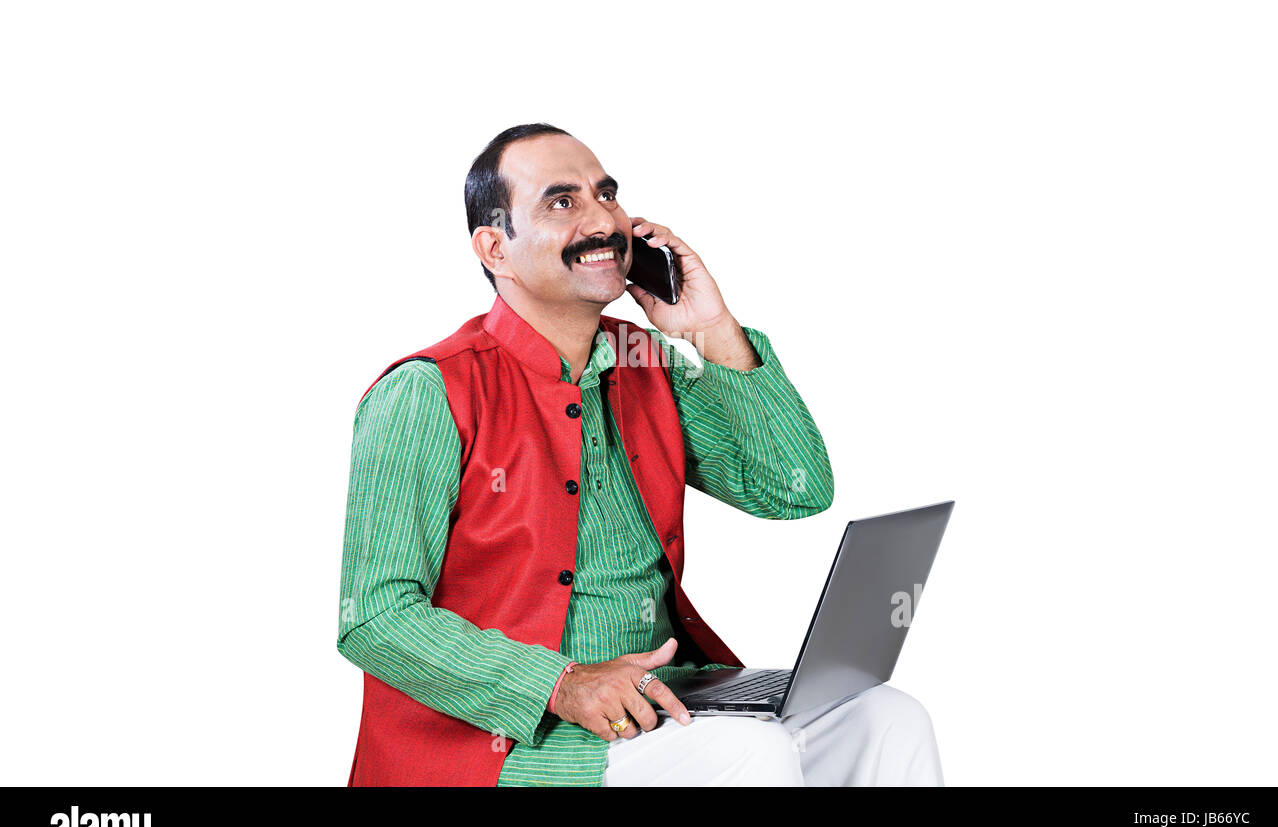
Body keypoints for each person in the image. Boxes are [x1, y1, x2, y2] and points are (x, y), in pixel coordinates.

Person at [337, 123, 944, 786]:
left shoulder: (644, 363)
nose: (603, 220)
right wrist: (562, 683)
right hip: (508, 739)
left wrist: (712, 329)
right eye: (561, 203)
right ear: (495, 248)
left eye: (607, 195)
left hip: (663, 703)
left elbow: (792, 489)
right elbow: (376, 618)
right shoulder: (428, 391)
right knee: (752, 756)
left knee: (888, 716)